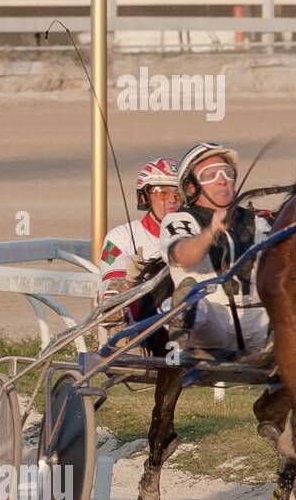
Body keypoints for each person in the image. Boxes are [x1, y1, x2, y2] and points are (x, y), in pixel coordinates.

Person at [159, 142, 271, 353]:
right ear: (191, 187)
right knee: (191, 302)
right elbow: (183, 256)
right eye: (210, 175)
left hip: (261, 319)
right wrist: (211, 231)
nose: (222, 180)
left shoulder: (257, 222)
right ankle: (179, 332)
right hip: (213, 320)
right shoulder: (180, 219)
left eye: (227, 173)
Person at [98, 157, 181, 302]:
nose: (172, 200)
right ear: (144, 197)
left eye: (179, 194)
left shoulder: (199, 235)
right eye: (162, 192)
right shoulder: (119, 238)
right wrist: (131, 277)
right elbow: (112, 291)